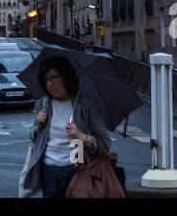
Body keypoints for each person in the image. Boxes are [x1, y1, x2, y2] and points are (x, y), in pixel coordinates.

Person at [19, 54, 113, 198]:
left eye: (54, 77)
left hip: (77, 170)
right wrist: (38, 126)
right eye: (46, 80)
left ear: (66, 77)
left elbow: (105, 142)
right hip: (48, 170)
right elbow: (34, 138)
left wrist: (81, 136)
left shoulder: (86, 106)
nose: (50, 84)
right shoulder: (43, 104)